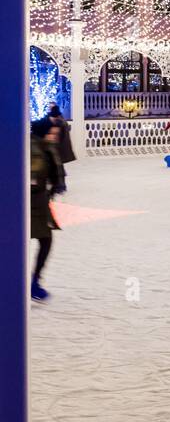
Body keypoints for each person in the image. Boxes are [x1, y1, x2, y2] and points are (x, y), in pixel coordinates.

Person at [31, 117, 60, 301]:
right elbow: (33, 178)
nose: (55, 137)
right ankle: (32, 282)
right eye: (52, 133)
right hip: (32, 204)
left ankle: (33, 280)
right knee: (45, 240)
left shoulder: (42, 147)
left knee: (45, 240)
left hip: (38, 203)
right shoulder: (36, 152)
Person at [46, 103, 75, 192]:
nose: (49, 109)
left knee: (58, 167)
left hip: (59, 149)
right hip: (59, 149)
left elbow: (56, 136)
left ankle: (60, 186)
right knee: (57, 167)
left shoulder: (58, 121)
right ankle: (58, 185)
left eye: (50, 108)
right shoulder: (59, 120)